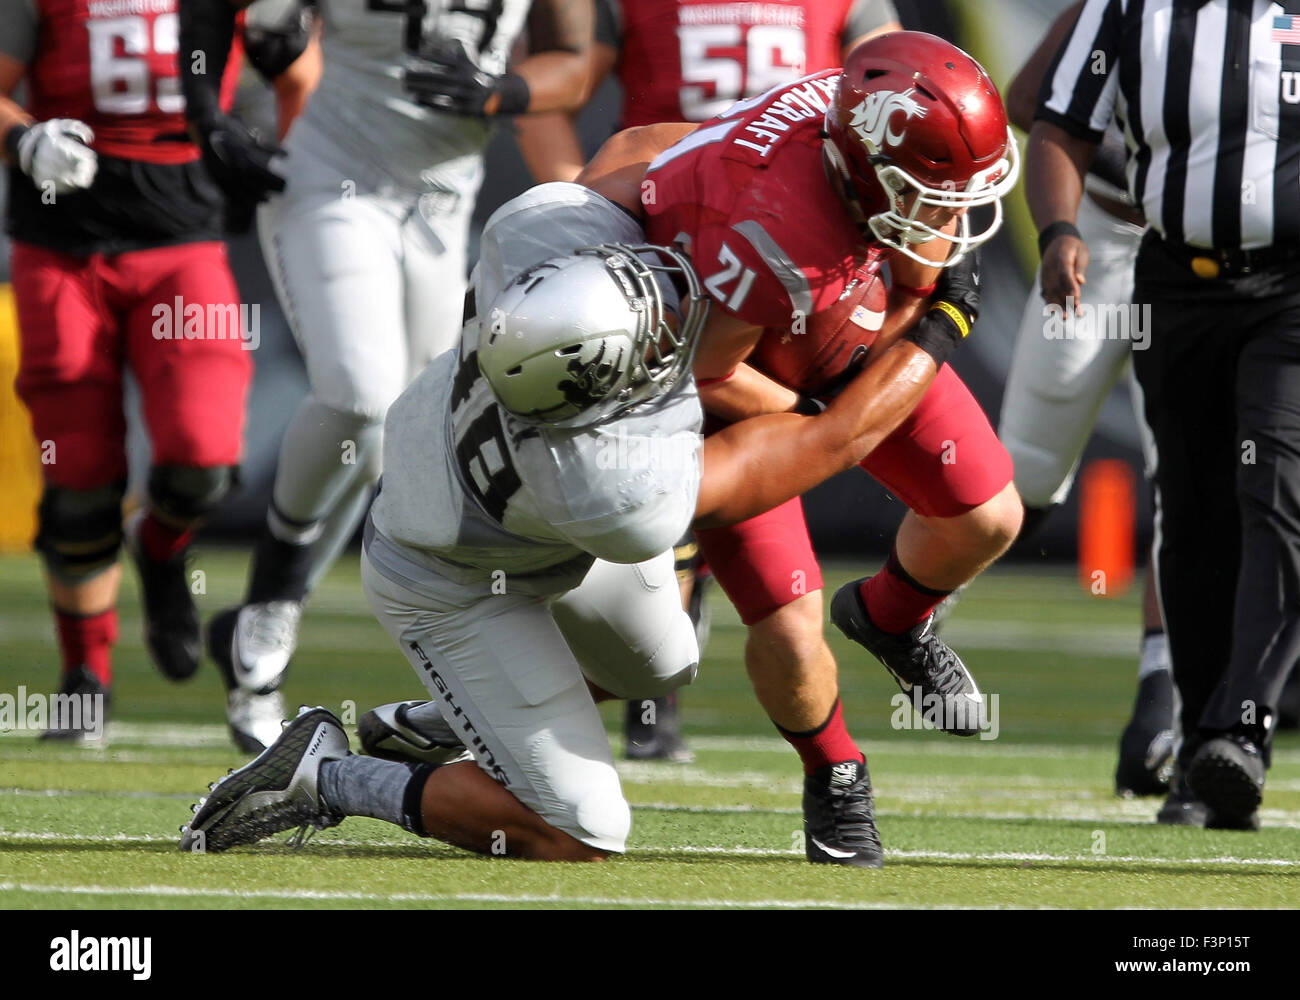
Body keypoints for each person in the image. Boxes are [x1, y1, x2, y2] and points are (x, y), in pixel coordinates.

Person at [181, 169, 982, 863]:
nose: (678, 316)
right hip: (450, 581)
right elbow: (833, 440)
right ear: (610, 388)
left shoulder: (535, 235)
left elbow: (637, 154)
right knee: (582, 829)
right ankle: (326, 776)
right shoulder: (612, 484)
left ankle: (452, 715)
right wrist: (943, 323)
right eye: (659, 339)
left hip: (487, 502)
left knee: (664, 661)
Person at [586, 33, 1022, 823]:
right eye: (938, 190)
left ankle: (889, 620)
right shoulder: (772, 229)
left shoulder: (860, 134)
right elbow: (710, 372)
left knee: (989, 516)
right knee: (781, 632)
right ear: (872, 168)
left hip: (841, 331)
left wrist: (915, 313)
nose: (956, 211)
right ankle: (835, 775)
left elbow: (918, 257)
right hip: (732, 384)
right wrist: (815, 421)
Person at [178, 0, 595, 752]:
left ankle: (264, 623)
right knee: (359, 398)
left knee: (400, 442)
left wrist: (504, 92)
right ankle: (271, 600)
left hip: (443, 201)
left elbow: (573, 63)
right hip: (332, 178)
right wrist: (208, 115)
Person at [514, 0, 901, 764]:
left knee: (767, 576)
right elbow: (556, 95)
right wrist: (582, 209)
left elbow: (896, 91)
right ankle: (522, 700)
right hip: (669, 264)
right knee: (642, 507)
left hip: (798, 282)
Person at [0, 0, 305, 739]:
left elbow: (302, 78)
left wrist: (271, 151)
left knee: (203, 455)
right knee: (79, 475)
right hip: (63, 251)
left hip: (183, 244)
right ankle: (84, 675)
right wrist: (23, 140)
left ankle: (161, 546)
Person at [1031, 0, 1300, 829]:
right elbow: (1058, 123)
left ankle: (1241, 731)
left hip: (1292, 290)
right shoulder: (1130, 5)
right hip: (1175, 284)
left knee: (1279, 495)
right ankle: (1199, 756)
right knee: (1191, 515)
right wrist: (1058, 228)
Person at [997, 1, 1173, 798]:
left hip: (1202, 266)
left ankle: (1161, 704)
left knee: (1190, 484)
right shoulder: (1124, 7)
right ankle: (910, 615)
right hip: (1099, 238)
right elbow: (1027, 100)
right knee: (1025, 471)